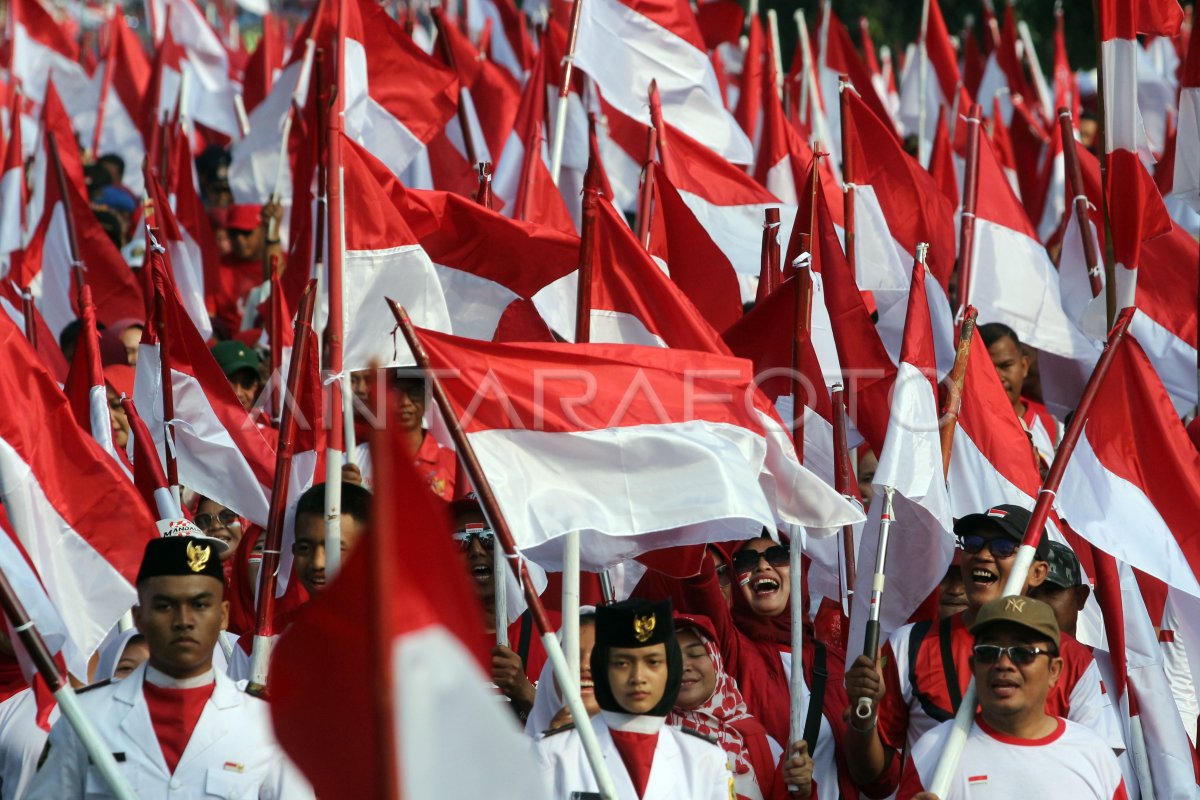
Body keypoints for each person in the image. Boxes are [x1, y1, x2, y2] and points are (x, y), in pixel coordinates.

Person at [842, 505, 1122, 796]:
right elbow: (874, 780)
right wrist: (864, 719)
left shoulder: (1073, 660)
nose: (983, 555)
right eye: (973, 543)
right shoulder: (908, 644)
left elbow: (1093, 771)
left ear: (1038, 572)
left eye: (1003, 547)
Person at [26, 536, 313, 798]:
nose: (184, 620)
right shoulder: (86, 719)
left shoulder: (266, 725)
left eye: (200, 605)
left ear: (223, 615)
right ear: (139, 617)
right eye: (165, 606)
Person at [678, 533, 857, 799]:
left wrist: (865, 724)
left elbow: (878, 782)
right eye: (746, 560)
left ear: (799, 570)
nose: (762, 566)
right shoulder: (729, 650)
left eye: (779, 555)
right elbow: (699, 581)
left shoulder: (839, 664)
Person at [897, 596, 1127, 799]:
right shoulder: (932, 751)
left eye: (1023, 653)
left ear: (1054, 670)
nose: (1003, 664)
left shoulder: (1094, 755)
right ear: (973, 666)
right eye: (988, 651)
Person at [534, 598, 734, 799]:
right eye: (622, 663)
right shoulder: (554, 754)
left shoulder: (705, 758)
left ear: (671, 668)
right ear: (603, 668)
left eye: (653, 662)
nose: (638, 677)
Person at [669, 613, 803, 800]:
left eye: (696, 654)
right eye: (671, 657)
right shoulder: (647, 739)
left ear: (716, 661)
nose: (683, 666)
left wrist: (802, 791)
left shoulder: (758, 742)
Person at [450, 496, 551, 720]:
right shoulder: (434, 640)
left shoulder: (555, 633)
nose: (476, 551)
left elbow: (579, 731)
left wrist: (525, 691)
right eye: (461, 540)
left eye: (488, 537)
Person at [354, 373, 457, 499]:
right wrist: (346, 490)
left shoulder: (453, 464)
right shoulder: (354, 460)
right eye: (395, 392)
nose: (404, 402)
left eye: (414, 392)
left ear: (427, 399)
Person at [979, 323, 1061, 467]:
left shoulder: (1053, 431)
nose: (997, 377)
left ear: (1024, 366)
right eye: (988, 368)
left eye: (1006, 366)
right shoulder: (962, 433)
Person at [291, 481, 372, 597]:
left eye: (333, 548)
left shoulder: (391, 608)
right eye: (304, 548)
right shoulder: (294, 612)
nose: (317, 564)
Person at [1028, 541, 1091, 639]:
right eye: (1028, 591)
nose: (1038, 603)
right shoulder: (1003, 649)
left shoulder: (1097, 654)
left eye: (1051, 590)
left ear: (1080, 597)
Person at [211, 340, 265, 415]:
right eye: (229, 381)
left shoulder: (261, 420)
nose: (238, 393)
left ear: (255, 387)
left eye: (247, 382)